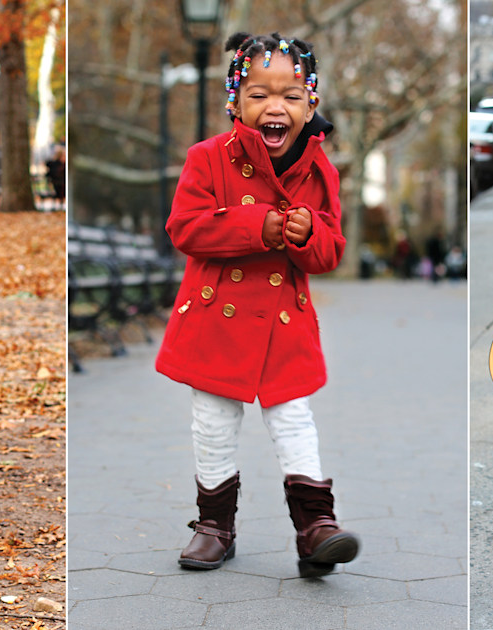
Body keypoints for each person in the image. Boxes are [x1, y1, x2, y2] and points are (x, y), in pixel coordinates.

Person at [155, 31, 360, 578]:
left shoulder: (321, 172)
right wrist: (259, 226)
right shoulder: (208, 158)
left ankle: (316, 528)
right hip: (215, 316)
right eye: (259, 95)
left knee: (295, 420)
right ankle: (214, 527)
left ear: (310, 103)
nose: (276, 107)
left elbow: (330, 252)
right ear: (236, 103)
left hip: (283, 322)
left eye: (291, 97)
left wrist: (305, 232)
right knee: (214, 422)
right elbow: (185, 228)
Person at [45, 145, 66, 210]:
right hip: (58, 184)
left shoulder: (62, 164)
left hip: (59, 184)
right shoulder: (56, 164)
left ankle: (61, 203)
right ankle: (61, 202)